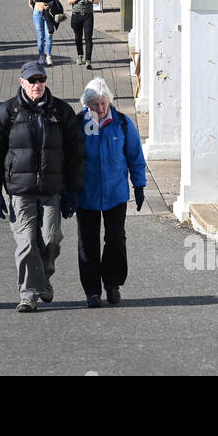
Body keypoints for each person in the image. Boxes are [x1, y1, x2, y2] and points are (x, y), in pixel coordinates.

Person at [0, 61, 86, 312]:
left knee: (51, 240)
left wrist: (73, 190)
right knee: (27, 242)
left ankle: (42, 280)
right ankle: (28, 294)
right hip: (20, 189)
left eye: (41, 79)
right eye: (32, 80)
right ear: (22, 83)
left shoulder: (60, 112)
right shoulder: (7, 112)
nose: (37, 84)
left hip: (52, 189)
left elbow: (75, 153)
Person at [76, 78, 147, 307]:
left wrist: (139, 186)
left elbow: (135, 157)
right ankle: (92, 291)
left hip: (115, 193)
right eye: (95, 105)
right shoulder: (78, 126)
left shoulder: (123, 124)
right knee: (88, 244)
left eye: (103, 103)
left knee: (115, 239)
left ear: (109, 100)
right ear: (87, 105)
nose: (100, 108)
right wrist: (66, 192)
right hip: (86, 194)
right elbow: (69, 160)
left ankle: (112, 283)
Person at [68, 0, 100, 68]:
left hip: (88, 14)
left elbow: (98, 0)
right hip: (76, 14)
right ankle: (79, 55)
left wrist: (91, 0)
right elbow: (69, 1)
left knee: (88, 38)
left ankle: (88, 60)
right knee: (78, 38)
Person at [28, 0, 61, 66]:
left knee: (49, 35)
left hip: (48, 15)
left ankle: (49, 56)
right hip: (38, 14)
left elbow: (57, 3)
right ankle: (41, 55)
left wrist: (50, 7)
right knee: (40, 36)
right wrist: (31, 4)